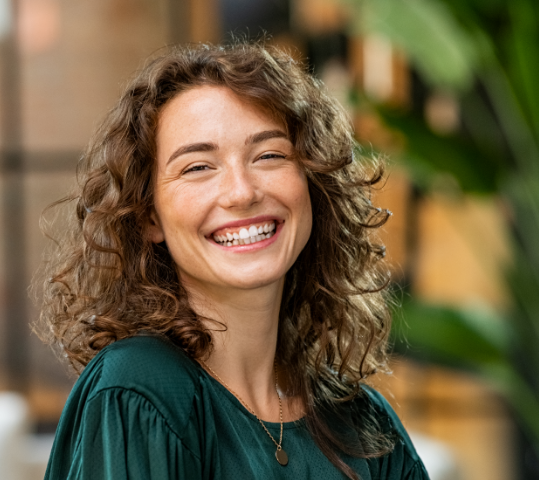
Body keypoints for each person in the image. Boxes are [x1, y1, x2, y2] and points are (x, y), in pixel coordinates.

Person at [38, 42, 429, 480]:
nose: (242, 192)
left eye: (269, 156)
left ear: (312, 186)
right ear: (150, 215)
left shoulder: (363, 424)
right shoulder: (138, 390)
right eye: (198, 167)